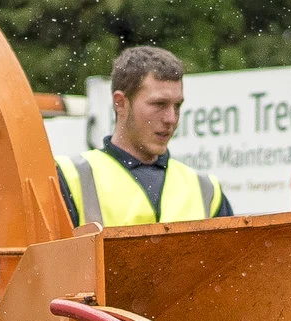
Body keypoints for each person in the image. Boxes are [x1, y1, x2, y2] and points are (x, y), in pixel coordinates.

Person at [57, 45, 235, 225]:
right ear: (120, 103)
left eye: (177, 106)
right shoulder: (71, 177)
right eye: (159, 104)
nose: (171, 118)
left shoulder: (207, 190)